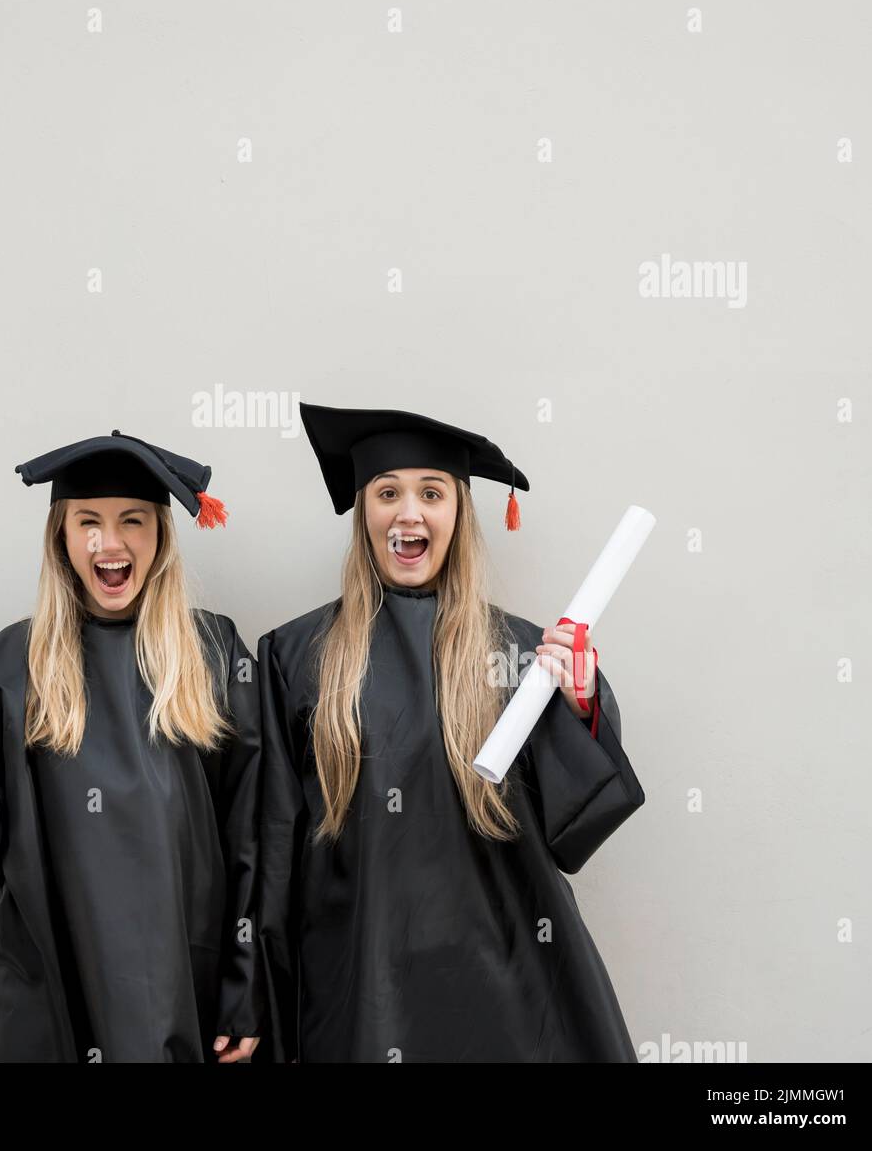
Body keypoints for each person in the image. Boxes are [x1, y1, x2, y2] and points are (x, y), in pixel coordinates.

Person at [0, 429, 265, 1062]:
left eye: (133, 520)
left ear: (160, 534)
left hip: (183, 985)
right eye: (88, 521)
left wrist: (246, 986)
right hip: (53, 985)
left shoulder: (212, 655)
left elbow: (252, 833)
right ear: (62, 537)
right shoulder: (9, 667)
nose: (111, 542)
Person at [257, 402, 645, 1063]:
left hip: (507, 985)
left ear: (459, 514)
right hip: (360, 983)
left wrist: (580, 704)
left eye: (431, 494)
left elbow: (576, 828)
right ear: (364, 515)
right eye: (388, 493)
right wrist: (256, 1002)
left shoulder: (525, 659)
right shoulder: (295, 658)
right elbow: (271, 849)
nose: (409, 513)